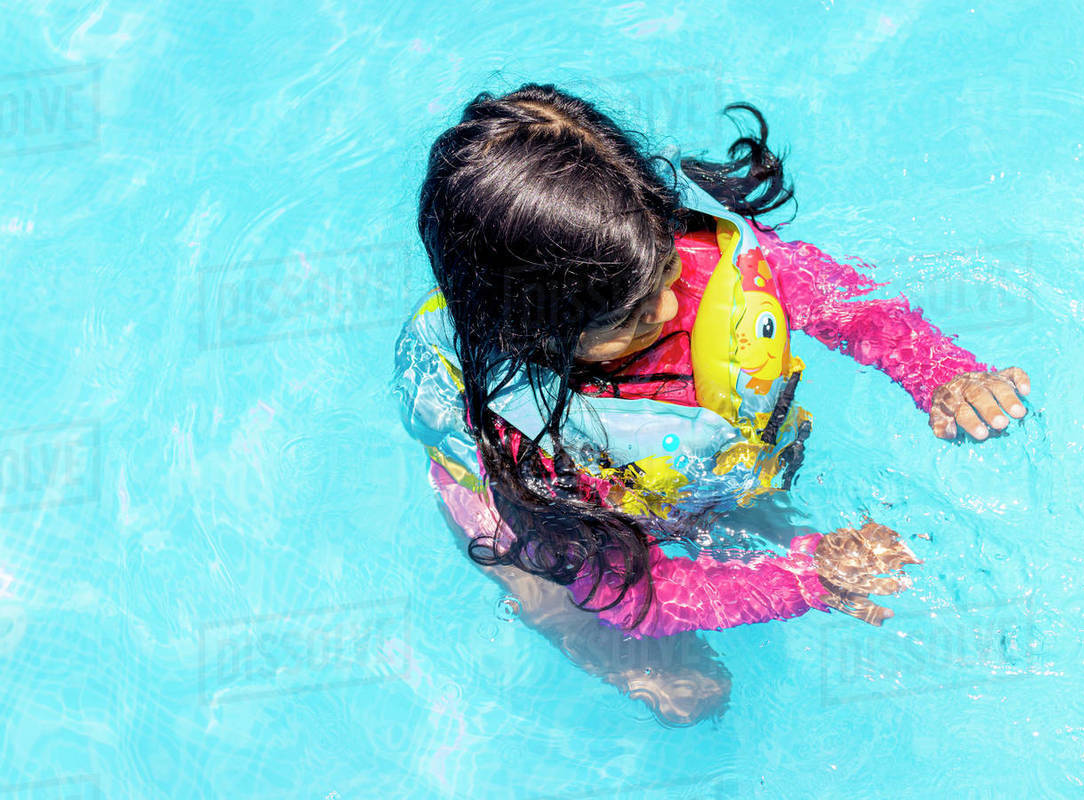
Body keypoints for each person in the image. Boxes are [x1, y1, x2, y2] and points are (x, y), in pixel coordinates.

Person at [394, 82, 1031, 724]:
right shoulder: (528, 449)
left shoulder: (675, 251)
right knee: (564, 600)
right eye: (631, 315)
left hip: (687, 474)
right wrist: (802, 581)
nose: (672, 306)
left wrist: (944, 375)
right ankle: (609, 653)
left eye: (664, 268)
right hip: (546, 508)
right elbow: (627, 596)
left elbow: (846, 306)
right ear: (537, 334)